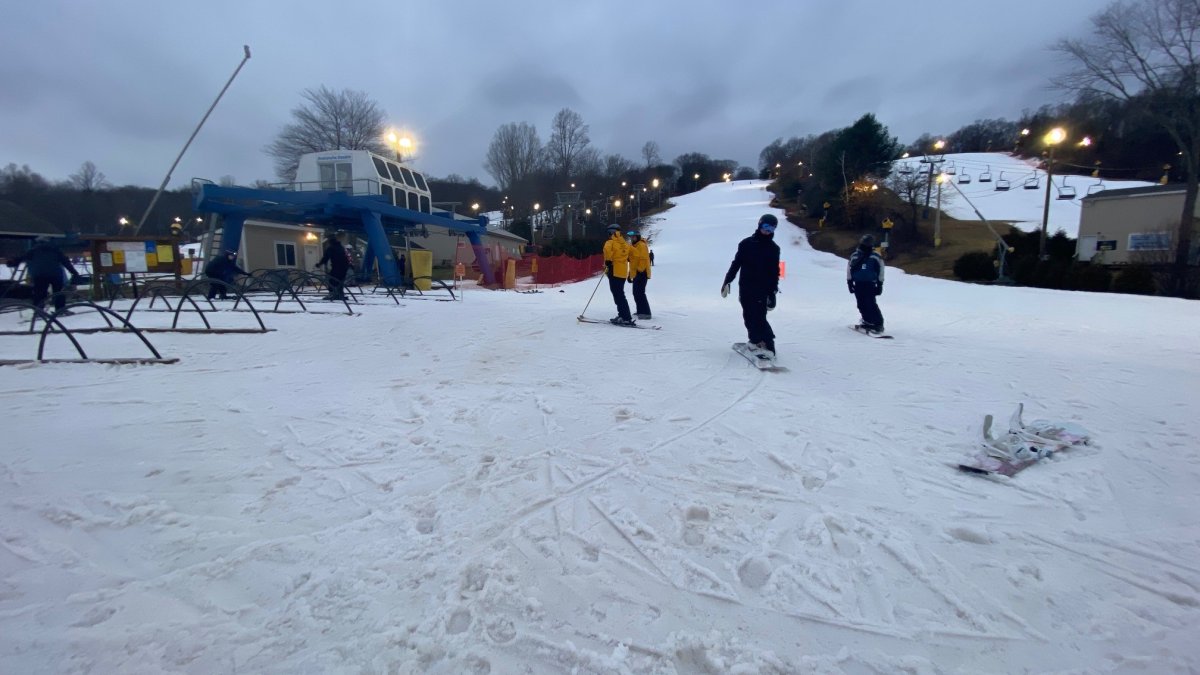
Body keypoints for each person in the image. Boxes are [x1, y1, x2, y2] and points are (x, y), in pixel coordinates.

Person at [722, 213, 781, 357]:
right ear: (760, 225)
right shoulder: (746, 244)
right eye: (766, 227)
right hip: (746, 286)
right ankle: (755, 341)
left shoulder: (773, 248)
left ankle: (768, 343)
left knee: (759, 316)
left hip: (762, 288)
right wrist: (727, 281)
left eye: (772, 228)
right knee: (747, 315)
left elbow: (775, 271)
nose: (768, 231)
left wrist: (772, 292)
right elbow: (736, 264)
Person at [6, 236, 80, 313]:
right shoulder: (55, 249)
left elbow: (21, 258)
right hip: (55, 274)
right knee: (59, 292)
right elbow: (65, 262)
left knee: (39, 293)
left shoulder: (32, 250)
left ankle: (38, 311)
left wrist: (12, 263)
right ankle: (60, 309)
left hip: (39, 275)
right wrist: (74, 272)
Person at [847, 234, 886, 333]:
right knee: (861, 304)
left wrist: (880, 284)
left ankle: (878, 323)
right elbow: (849, 269)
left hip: (870, 284)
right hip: (858, 283)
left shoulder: (875, 256)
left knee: (870, 303)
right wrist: (849, 282)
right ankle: (867, 321)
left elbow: (881, 269)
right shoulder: (855, 255)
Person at [602, 223, 634, 325]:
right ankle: (623, 315)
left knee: (618, 295)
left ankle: (626, 317)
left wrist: (608, 261)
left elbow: (606, 250)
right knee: (620, 294)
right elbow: (634, 253)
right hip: (622, 272)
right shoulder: (624, 243)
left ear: (612, 232)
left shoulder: (610, 242)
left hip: (614, 270)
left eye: (609, 233)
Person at [316, 232, 350, 300]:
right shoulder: (341, 247)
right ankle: (340, 294)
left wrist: (319, 264)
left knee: (332, 281)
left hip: (336, 267)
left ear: (330, 241)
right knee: (340, 281)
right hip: (344, 268)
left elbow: (325, 258)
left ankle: (332, 294)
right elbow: (347, 257)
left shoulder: (331, 248)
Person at [627, 230, 652, 320]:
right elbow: (632, 262)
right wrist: (630, 274)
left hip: (642, 272)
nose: (632, 239)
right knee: (636, 293)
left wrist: (639, 271)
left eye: (633, 237)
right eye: (631, 237)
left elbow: (643, 259)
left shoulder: (641, 245)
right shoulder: (633, 246)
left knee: (640, 293)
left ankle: (646, 313)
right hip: (637, 273)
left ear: (637, 237)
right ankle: (640, 310)